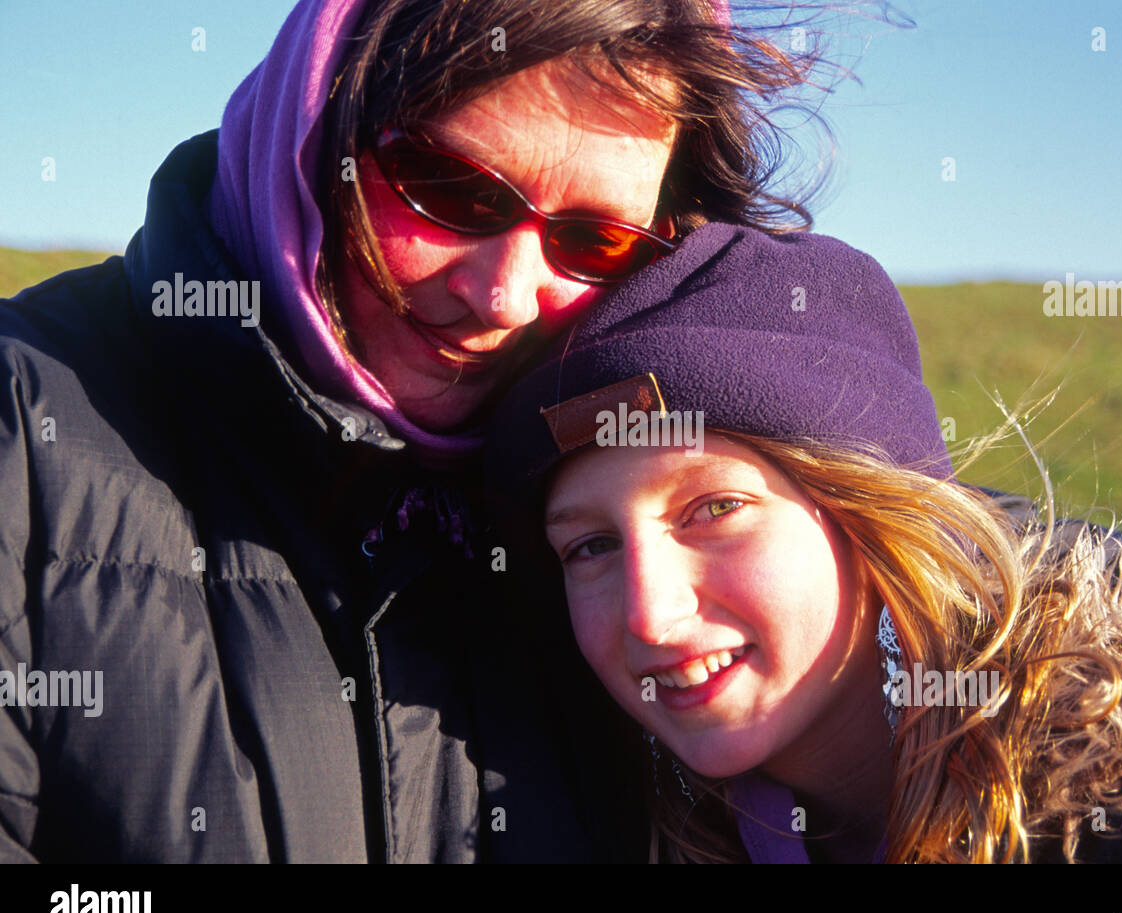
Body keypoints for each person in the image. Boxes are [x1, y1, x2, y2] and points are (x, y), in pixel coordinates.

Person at [0, 0, 819, 862]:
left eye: (598, 241)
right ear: (322, 126)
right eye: (452, 189)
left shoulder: (626, 479)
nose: (502, 297)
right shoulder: (26, 430)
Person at [487, 222, 1122, 862]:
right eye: (590, 547)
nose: (650, 616)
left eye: (716, 508)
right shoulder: (626, 817)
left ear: (869, 515)